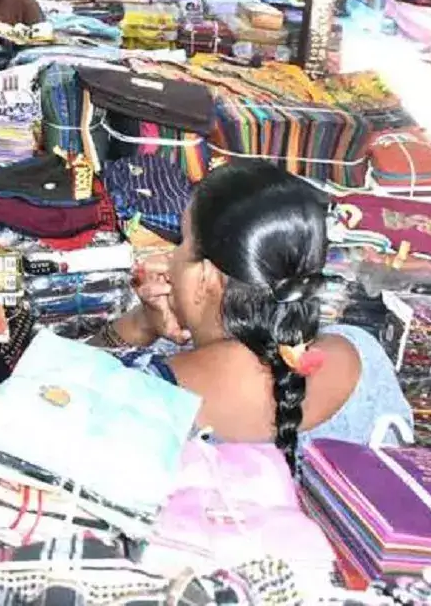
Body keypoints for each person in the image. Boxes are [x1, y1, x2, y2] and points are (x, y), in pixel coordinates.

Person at [89, 162, 411, 471]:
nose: (170, 258)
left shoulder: (144, 393)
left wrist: (138, 324)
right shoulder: (362, 355)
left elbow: (62, 392)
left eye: (182, 242)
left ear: (206, 277)